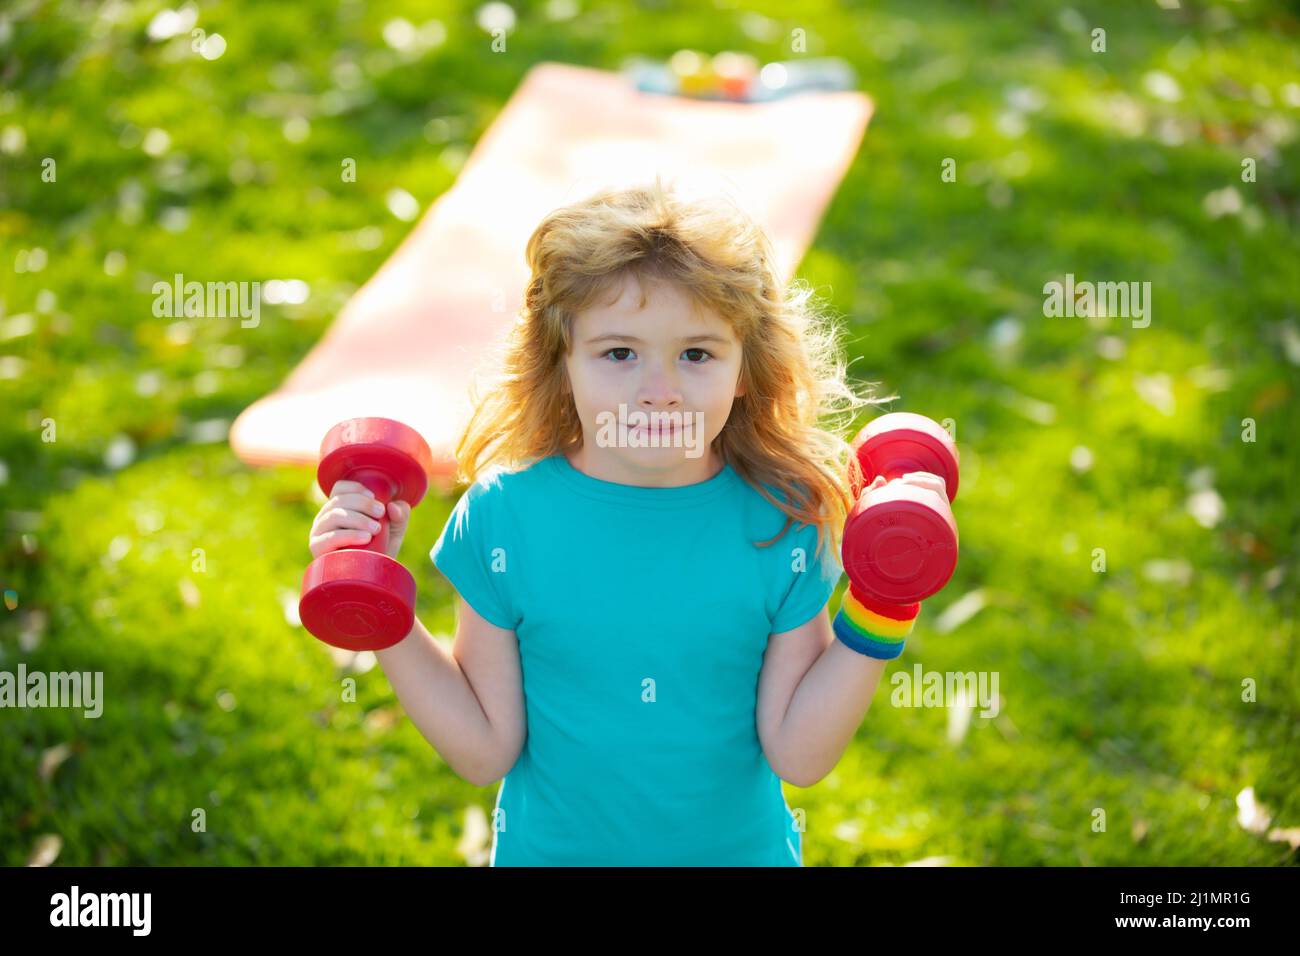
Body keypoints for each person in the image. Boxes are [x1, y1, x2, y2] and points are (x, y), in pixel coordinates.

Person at [309, 176, 937, 866]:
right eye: (619, 353)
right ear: (562, 363)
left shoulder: (780, 519)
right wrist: (376, 596)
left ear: (745, 370)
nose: (658, 391)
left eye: (696, 354)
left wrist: (886, 599)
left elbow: (800, 753)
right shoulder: (504, 521)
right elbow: (483, 749)